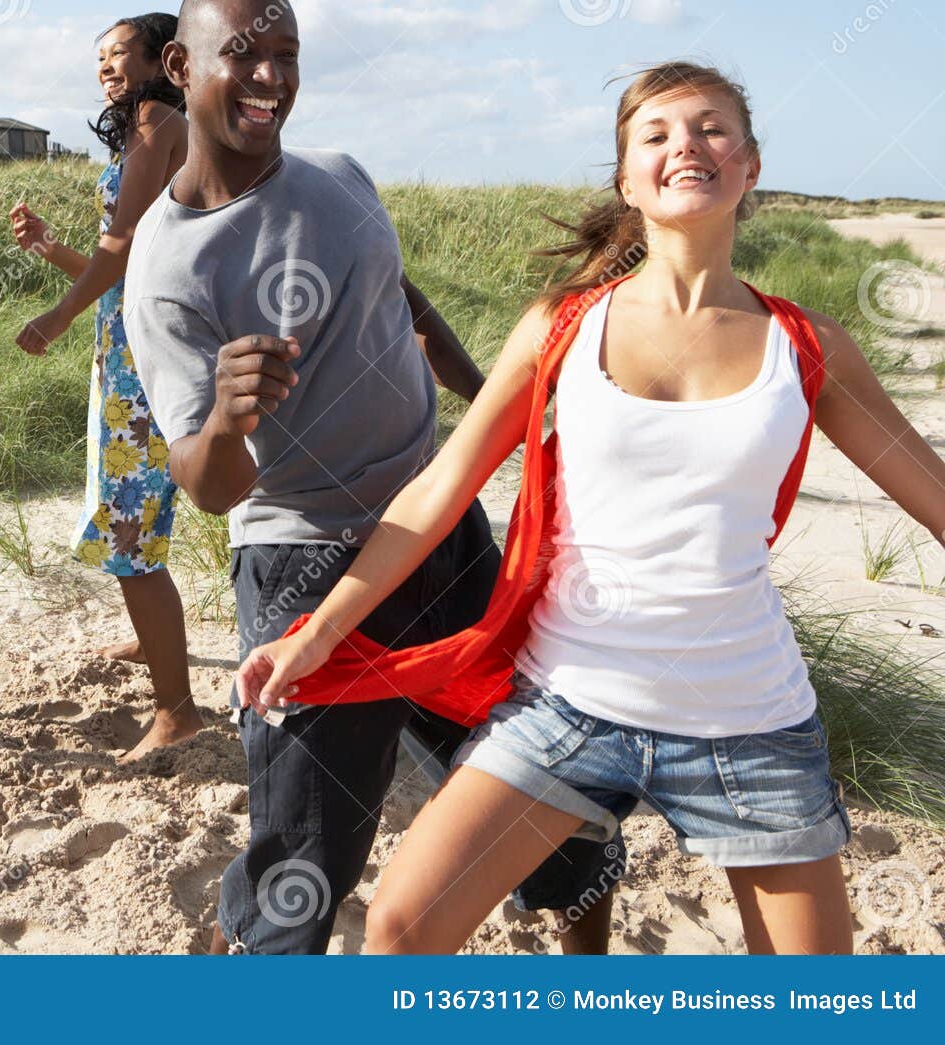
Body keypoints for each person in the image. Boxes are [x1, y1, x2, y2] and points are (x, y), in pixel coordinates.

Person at [242, 60, 945, 955]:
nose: (686, 144)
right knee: (402, 925)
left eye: (711, 128)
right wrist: (318, 631)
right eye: (656, 134)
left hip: (748, 718)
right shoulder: (561, 328)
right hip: (568, 702)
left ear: (752, 166)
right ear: (627, 179)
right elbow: (436, 491)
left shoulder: (807, 346)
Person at [124, 0, 622, 954]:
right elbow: (214, 485)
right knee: (305, 864)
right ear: (181, 67)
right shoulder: (168, 266)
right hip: (307, 569)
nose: (269, 77)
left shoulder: (341, 175)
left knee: (556, 785)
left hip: (443, 531)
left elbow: (405, 302)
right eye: (243, 55)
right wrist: (228, 417)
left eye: (287, 56)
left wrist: (492, 405)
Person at [7, 13, 199, 762]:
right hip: (126, 344)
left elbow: (119, 252)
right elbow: (119, 266)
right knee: (135, 514)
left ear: (165, 57)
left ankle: (177, 710)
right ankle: (159, 641)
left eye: (119, 53)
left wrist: (54, 320)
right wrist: (54, 250)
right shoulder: (145, 128)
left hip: (144, 356)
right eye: (99, 58)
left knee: (130, 526)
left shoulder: (157, 118)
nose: (105, 67)